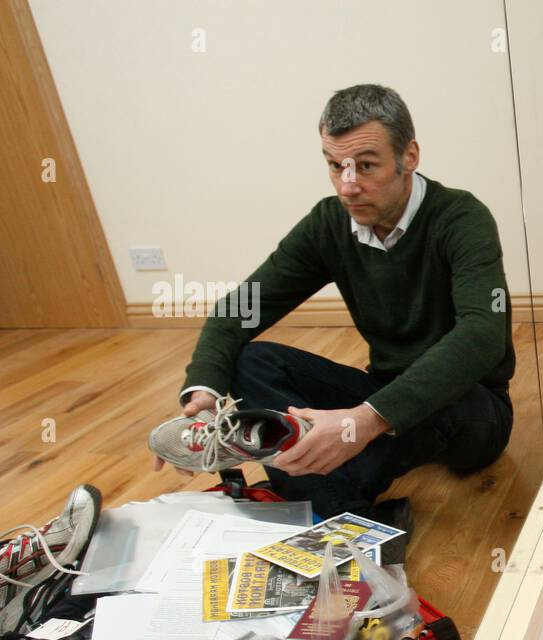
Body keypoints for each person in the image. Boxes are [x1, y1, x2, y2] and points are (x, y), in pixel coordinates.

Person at [153, 84, 515, 529]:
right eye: (334, 166)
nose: (348, 186)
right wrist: (203, 390)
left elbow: (482, 335)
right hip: (384, 390)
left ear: (410, 156)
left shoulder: (461, 218)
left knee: (446, 388)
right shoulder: (329, 223)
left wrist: (362, 422)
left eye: (366, 166)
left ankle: (320, 501)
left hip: (473, 410)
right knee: (253, 361)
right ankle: (343, 506)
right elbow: (238, 309)